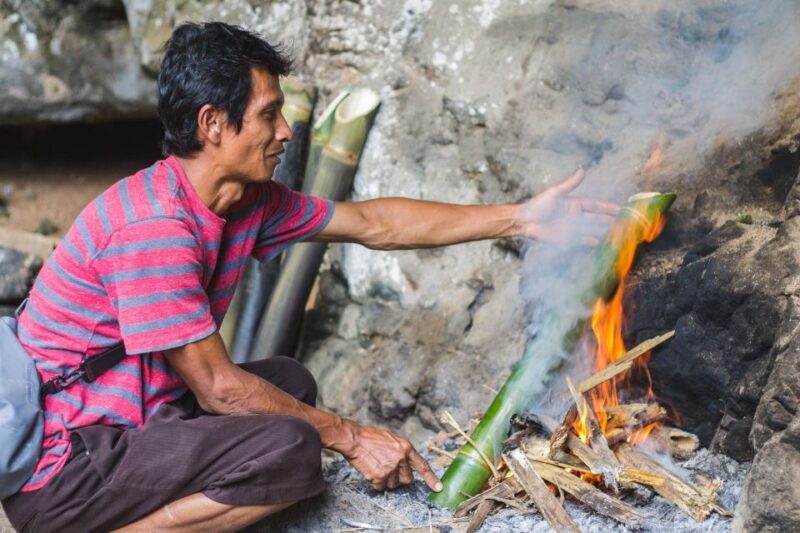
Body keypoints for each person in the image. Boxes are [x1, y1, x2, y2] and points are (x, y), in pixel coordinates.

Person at [0, 21, 618, 533]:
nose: (285, 132)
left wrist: (521, 218)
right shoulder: (154, 227)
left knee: (289, 382)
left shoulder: (243, 200)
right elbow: (218, 389)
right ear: (214, 125)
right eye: (269, 115)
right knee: (292, 447)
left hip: (132, 420)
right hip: (67, 464)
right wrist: (351, 438)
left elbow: (375, 222)